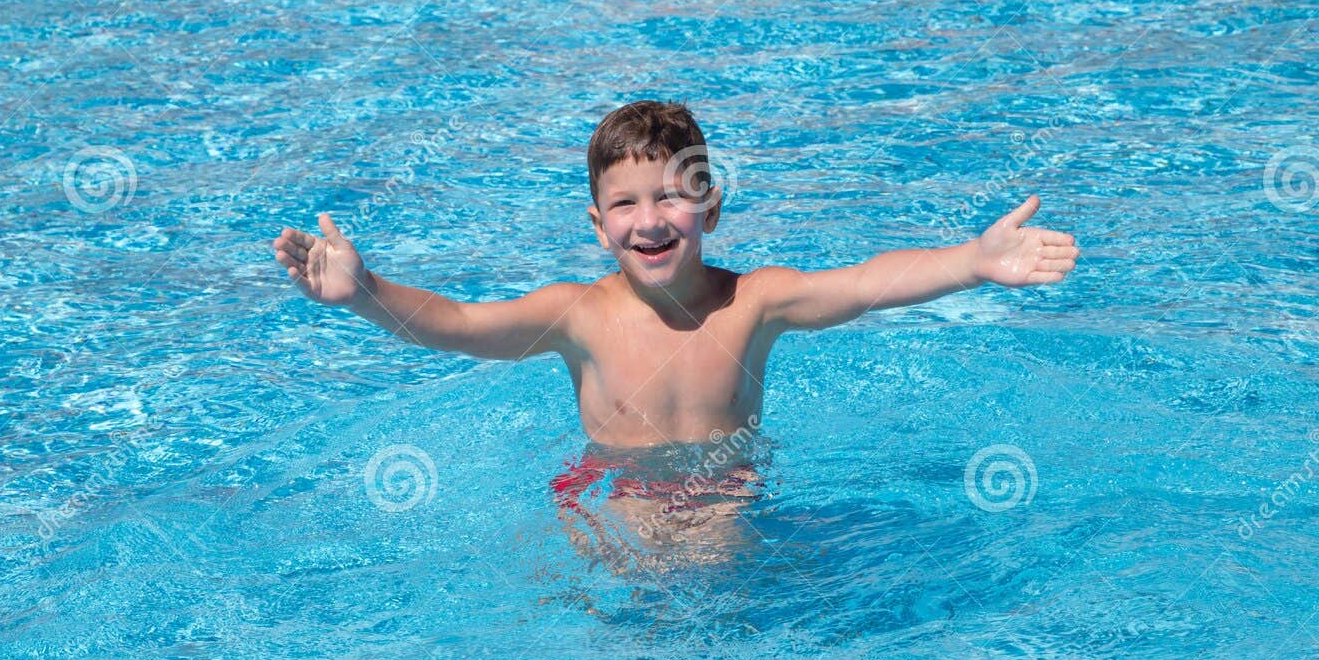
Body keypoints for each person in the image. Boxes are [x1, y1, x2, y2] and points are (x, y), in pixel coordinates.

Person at [272, 100, 1079, 567]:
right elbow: (457, 325)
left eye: (672, 197)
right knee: (624, 618)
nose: (650, 220)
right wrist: (364, 292)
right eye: (625, 204)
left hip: (724, 490)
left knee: (715, 580)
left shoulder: (754, 303)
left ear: (712, 209)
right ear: (597, 225)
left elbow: (867, 283)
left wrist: (974, 261)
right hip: (607, 491)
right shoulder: (578, 316)